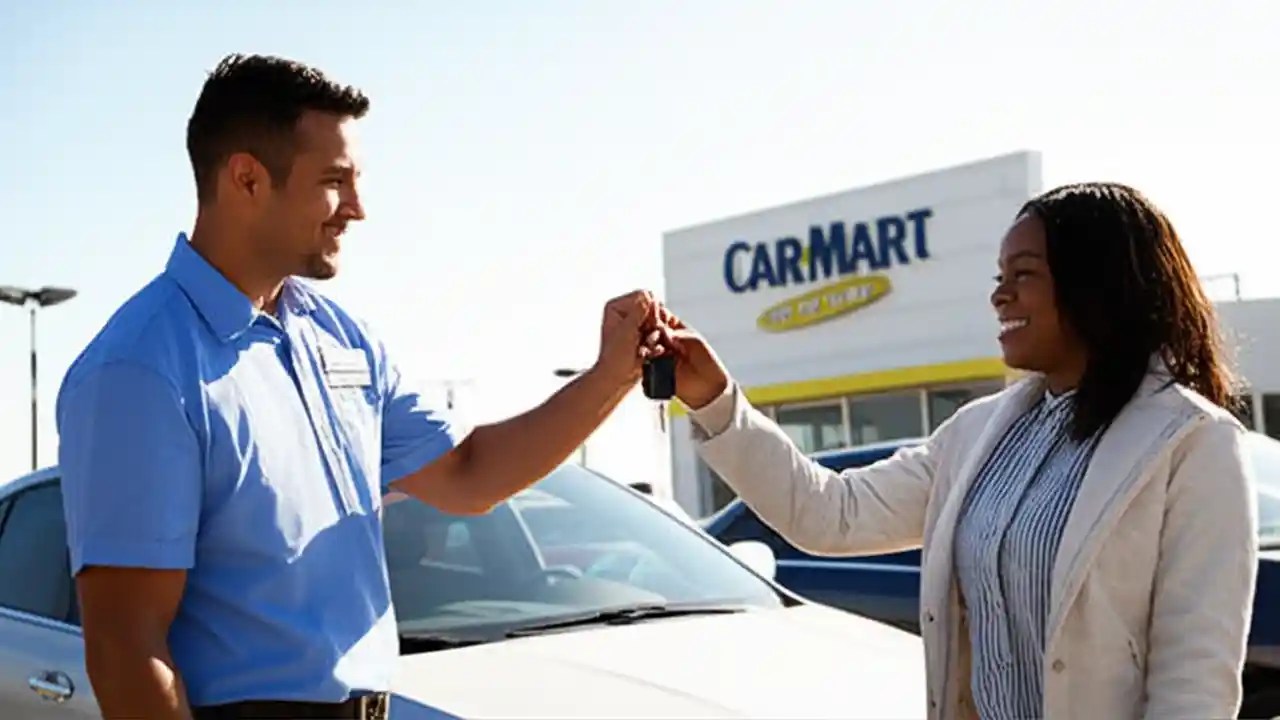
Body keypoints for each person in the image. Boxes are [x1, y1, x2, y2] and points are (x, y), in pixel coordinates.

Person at [55, 53, 666, 720]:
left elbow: (470, 476)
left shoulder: (341, 338)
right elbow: (125, 648)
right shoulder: (138, 371)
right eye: (334, 180)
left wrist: (612, 376)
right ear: (247, 179)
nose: (358, 209)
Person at [658, 182, 1259, 719]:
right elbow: (831, 514)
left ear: (1097, 285)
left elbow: (1194, 684)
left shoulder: (1192, 442)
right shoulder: (976, 434)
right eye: (999, 278)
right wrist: (715, 400)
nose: (1000, 297)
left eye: (1023, 274)